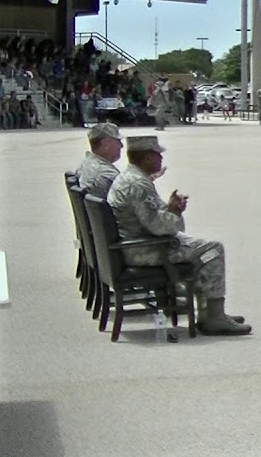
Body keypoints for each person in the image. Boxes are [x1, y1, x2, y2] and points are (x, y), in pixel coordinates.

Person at [107, 135, 251, 335]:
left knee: (203, 248)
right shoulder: (137, 184)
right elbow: (158, 227)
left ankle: (209, 312)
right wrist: (175, 212)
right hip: (144, 250)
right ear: (147, 158)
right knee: (212, 249)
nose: (161, 159)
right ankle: (213, 316)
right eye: (158, 155)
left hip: (137, 243)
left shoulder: (132, 178)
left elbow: (147, 215)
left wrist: (169, 207)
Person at [76, 122, 123, 197]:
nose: (121, 146)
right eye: (118, 141)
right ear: (105, 144)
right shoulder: (106, 175)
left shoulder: (87, 164)